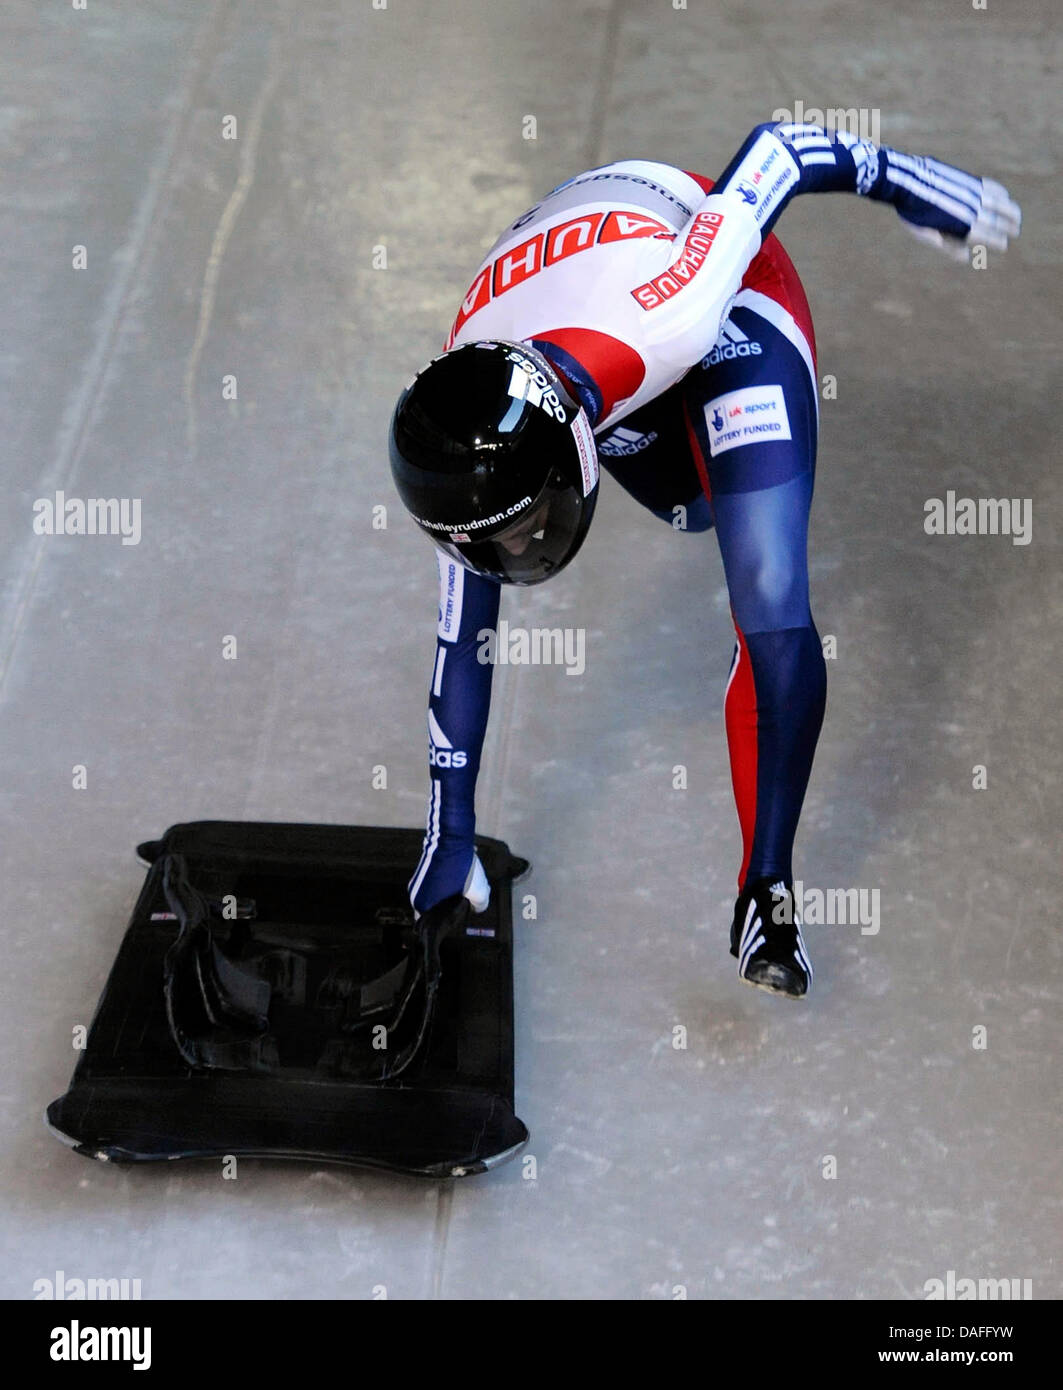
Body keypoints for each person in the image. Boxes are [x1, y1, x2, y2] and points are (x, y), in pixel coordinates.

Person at [389, 119, 1020, 998]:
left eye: (527, 526)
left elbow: (780, 150)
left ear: (571, 452)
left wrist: (907, 180)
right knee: (693, 504)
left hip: (715, 289)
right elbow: (464, 640)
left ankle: (766, 887)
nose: (520, 549)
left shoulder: (670, 314)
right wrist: (447, 829)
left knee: (765, 588)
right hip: (590, 293)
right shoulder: (472, 447)